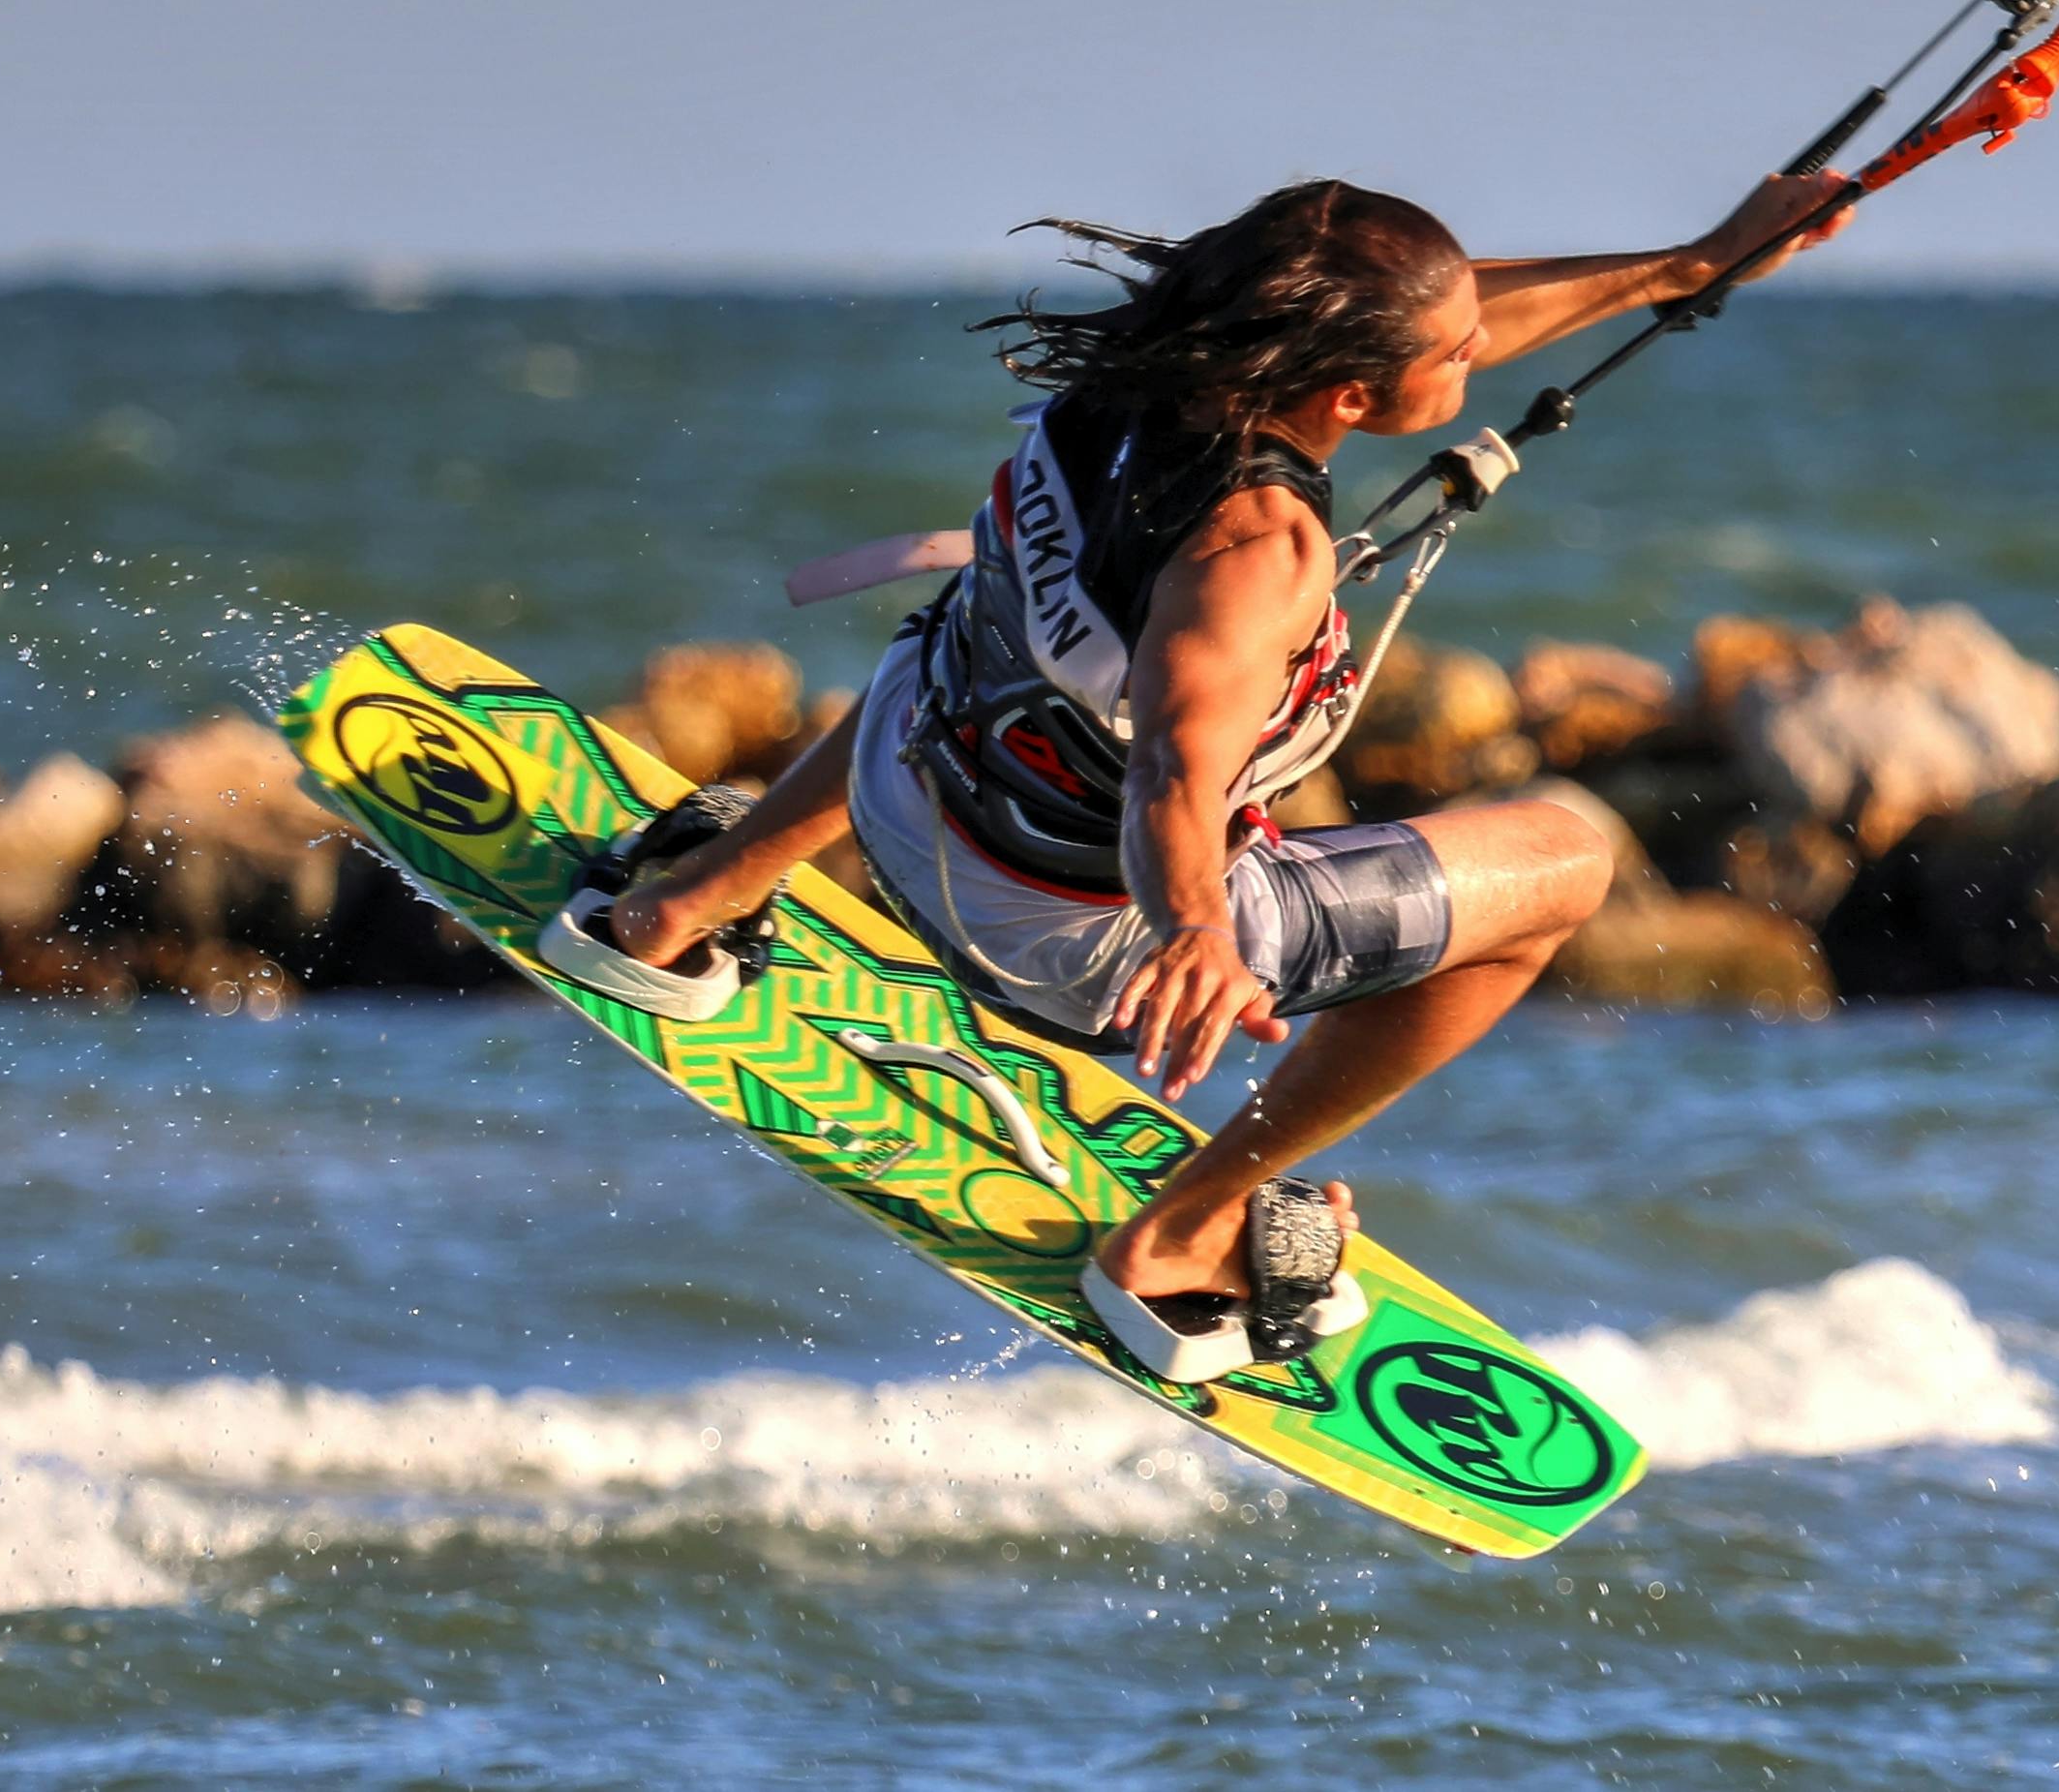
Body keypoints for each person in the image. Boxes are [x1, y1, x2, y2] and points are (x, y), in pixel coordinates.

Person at [570, 170, 1852, 1380]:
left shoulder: (1129, 386)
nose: (1480, 357)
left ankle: (685, 902)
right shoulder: (1254, 555)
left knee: (984, 627)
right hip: (1069, 940)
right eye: (1454, 355)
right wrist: (1193, 930)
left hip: (908, 801)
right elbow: (1177, 770)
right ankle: (1182, 1232)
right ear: (1349, 391)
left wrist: (1690, 262)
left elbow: (1439, 320)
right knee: (1566, 866)